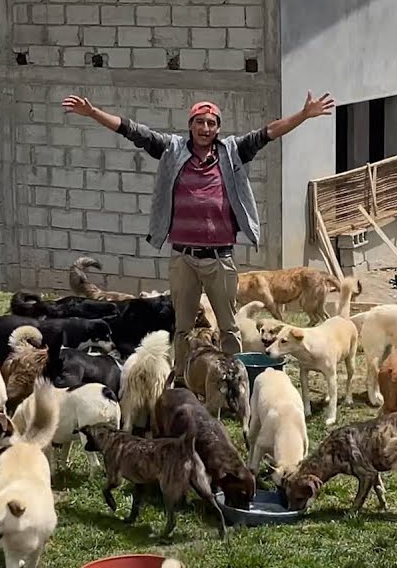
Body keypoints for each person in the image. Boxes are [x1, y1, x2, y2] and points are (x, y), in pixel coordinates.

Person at [61, 90, 335, 382]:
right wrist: (93, 113)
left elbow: (267, 133)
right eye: (200, 122)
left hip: (220, 257)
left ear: (218, 128)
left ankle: (233, 379)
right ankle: (183, 377)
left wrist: (304, 115)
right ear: (190, 125)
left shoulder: (231, 151)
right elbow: (132, 130)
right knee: (182, 326)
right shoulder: (172, 149)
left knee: (229, 326)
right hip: (184, 258)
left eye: (211, 123)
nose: (206, 128)